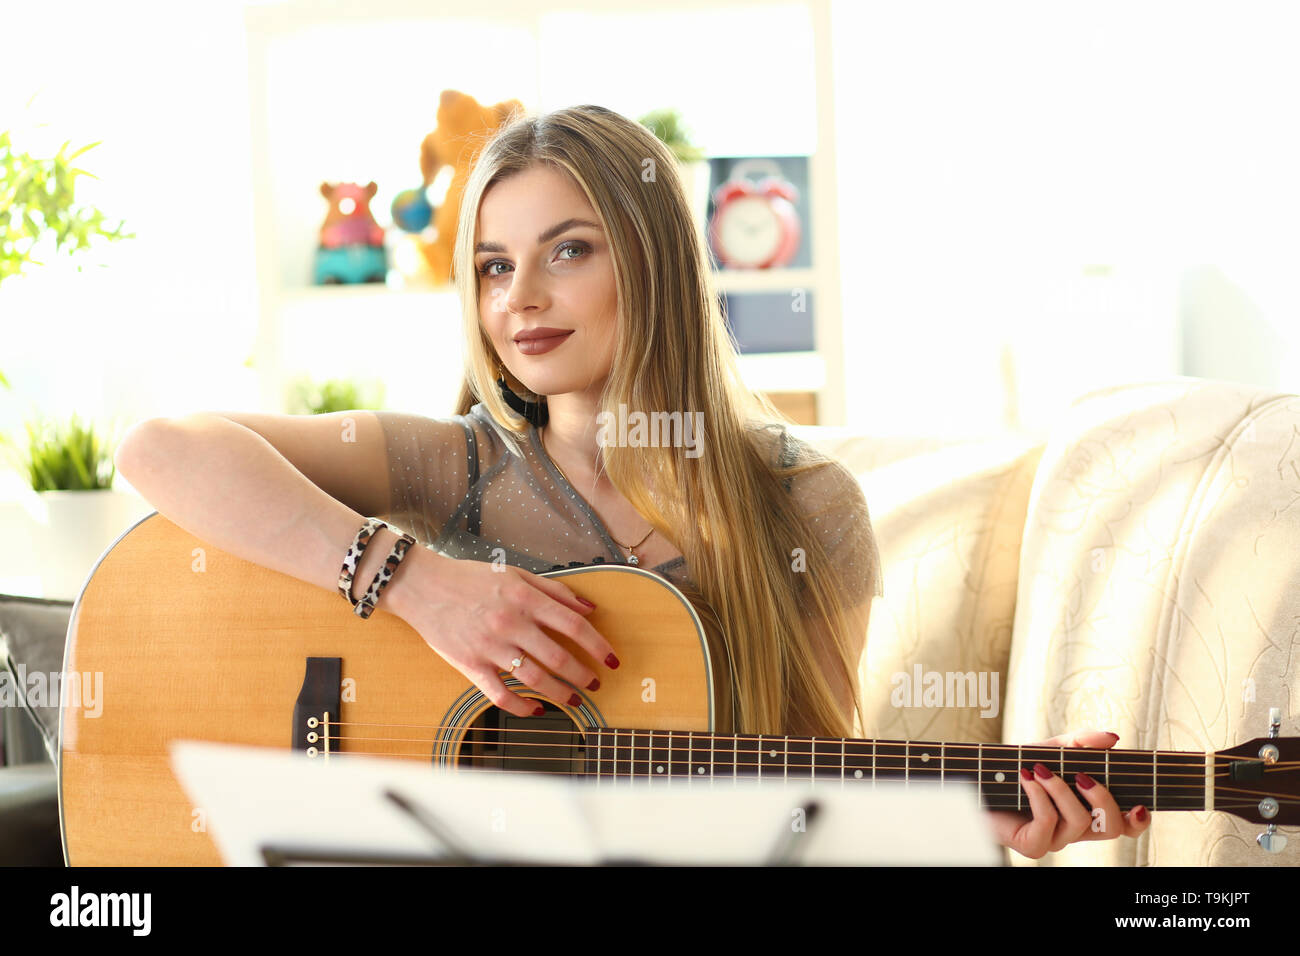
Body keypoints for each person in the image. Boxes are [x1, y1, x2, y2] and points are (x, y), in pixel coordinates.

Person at [116, 103, 1149, 861]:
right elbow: (161, 448)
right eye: (490, 265)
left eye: (566, 251)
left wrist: (971, 812)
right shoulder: (453, 463)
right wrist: (420, 584)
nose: (520, 297)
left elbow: (817, 781)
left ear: (651, 263)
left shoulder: (805, 504)